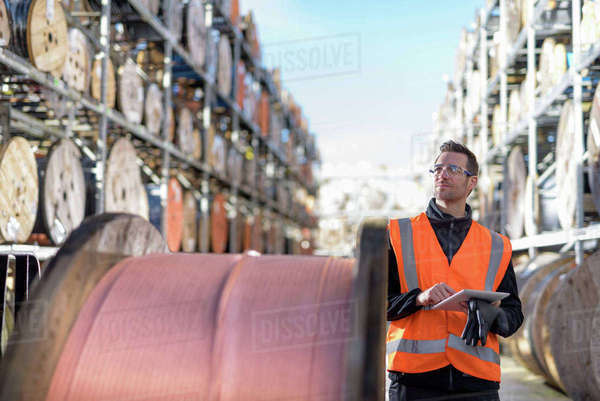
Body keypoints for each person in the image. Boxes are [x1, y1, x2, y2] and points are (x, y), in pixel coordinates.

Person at [387, 140, 523, 401]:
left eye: (452, 169)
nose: (442, 174)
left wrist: (489, 314)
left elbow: (513, 316)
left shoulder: (496, 245)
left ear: (472, 182)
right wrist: (418, 298)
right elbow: (375, 306)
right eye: (437, 168)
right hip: (413, 381)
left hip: (476, 383)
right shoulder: (398, 234)